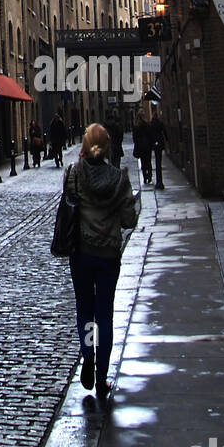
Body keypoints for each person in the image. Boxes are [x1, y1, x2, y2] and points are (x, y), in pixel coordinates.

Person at [67, 123, 138, 401]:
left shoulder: (73, 175)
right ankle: (101, 378)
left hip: (82, 253)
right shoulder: (119, 180)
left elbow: (68, 209)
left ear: (84, 146)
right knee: (104, 315)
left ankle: (87, 353)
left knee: (85, 309)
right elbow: (129, 220)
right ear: (107, 147)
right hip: (108, 255)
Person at [132, 112, 153, 185]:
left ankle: (145, 178)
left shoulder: (136, 126)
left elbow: (134, 138)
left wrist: (137, 144)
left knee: (143, 162)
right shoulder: (147, 125)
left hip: (140, 147)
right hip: (148, 146)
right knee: (148, 161)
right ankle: (150, 176)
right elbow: (151, 135)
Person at [150, 109, 168, 189]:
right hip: (160, 144)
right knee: (159, 162)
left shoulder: (151, 124)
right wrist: (166, 140)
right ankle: (160, 182)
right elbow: (164, 132)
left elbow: (149, 135)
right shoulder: (160, 123)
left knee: (157, 163)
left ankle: (158, 182)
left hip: (154, 144)